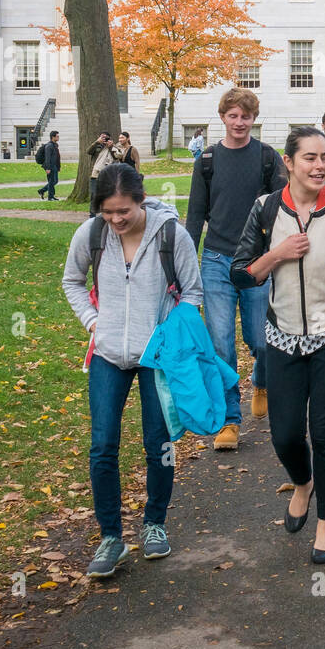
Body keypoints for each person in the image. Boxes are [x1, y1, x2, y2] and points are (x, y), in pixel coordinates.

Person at [230, 126, 325, 565]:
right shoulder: (264, 210)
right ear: (289, 163)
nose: (320, 166)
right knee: (286, 435)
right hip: (283, 338)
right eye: (310, 158)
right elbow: (241, 273)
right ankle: (302, 483)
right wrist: (276, 254)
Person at [61, 163, 204, 578]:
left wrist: (169, 335)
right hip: (108, 353)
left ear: (141, 200)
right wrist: (93, 321)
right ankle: (111, 537)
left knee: (157, 442)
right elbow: (72, 281)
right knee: (103, 445)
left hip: (155, 357)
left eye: (123, 210)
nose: (116, 220)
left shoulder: (172, 235)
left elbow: (192, 292)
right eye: (108, 212)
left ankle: (155, 524)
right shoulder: (91, 234)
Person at [186, 88, 286, 450]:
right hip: (215, 260)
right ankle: (229, 420)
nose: (239, 122)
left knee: (260, 340)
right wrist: (184, 264)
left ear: (253, 119)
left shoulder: (267, 158)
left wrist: (279, 253)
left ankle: (260, 379)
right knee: (220, 344)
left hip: (258, 262)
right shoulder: (208, 160)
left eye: (245, 116)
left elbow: (283, 207)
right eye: (233, 116)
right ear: (223, 118)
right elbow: (196, 214)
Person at [36, 130, 61, 200]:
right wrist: (48, 168)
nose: (58, 137)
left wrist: (58, 167)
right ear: (53, 137)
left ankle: (42, 191)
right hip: (50, 166)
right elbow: (48, 158)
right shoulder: (49, 146)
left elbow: (57, 157)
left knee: (54, 181)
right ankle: (50, 197)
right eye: (57, 136)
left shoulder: (54, 145)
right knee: (52, 181)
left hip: (54, 166)